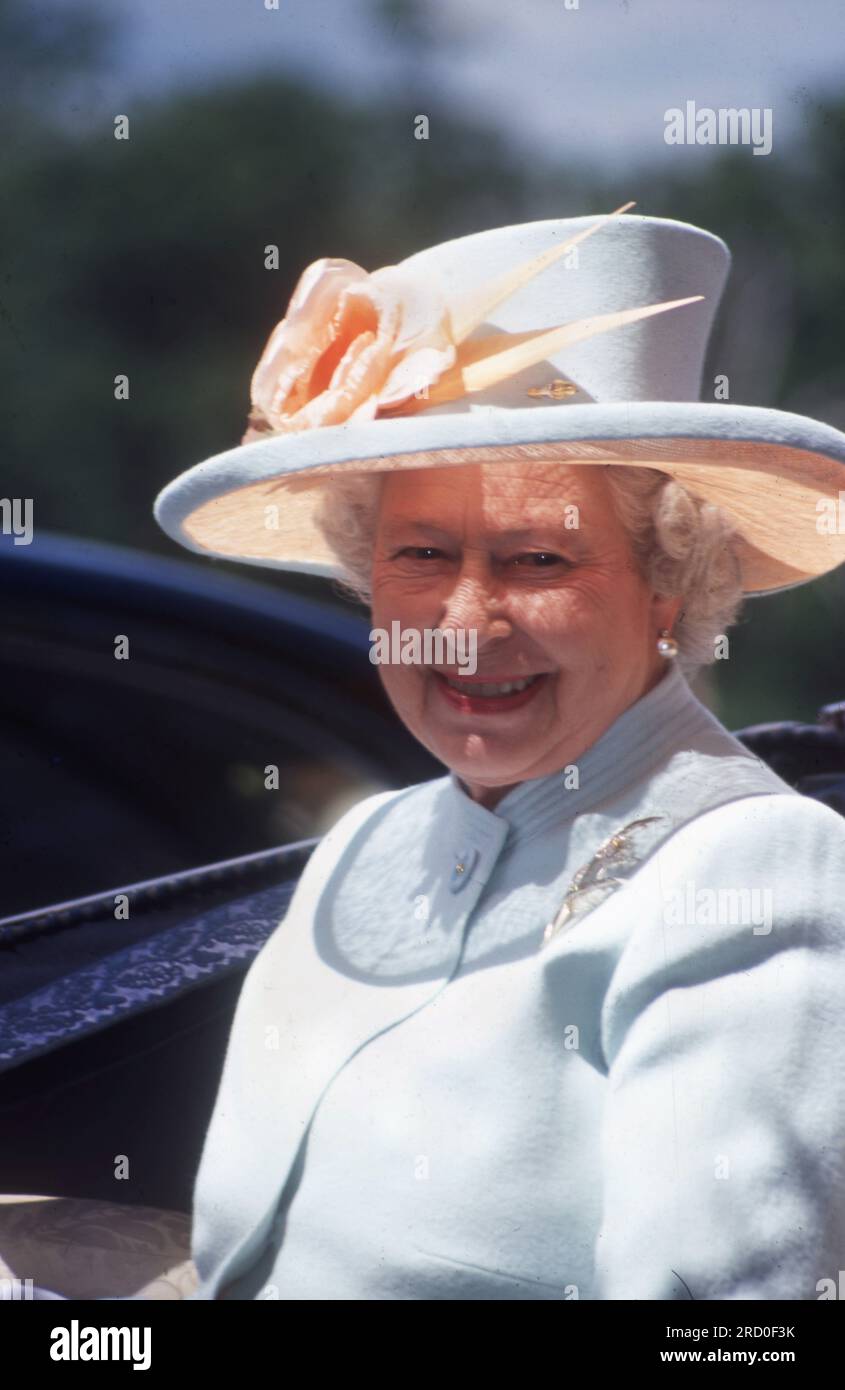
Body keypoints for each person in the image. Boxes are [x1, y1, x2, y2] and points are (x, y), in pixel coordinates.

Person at [20, 206, 845, 1299]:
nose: (463, 618)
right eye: (420, 553)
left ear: (668, 581)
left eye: (535, 556)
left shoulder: (752, 867)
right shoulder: (364, 841)